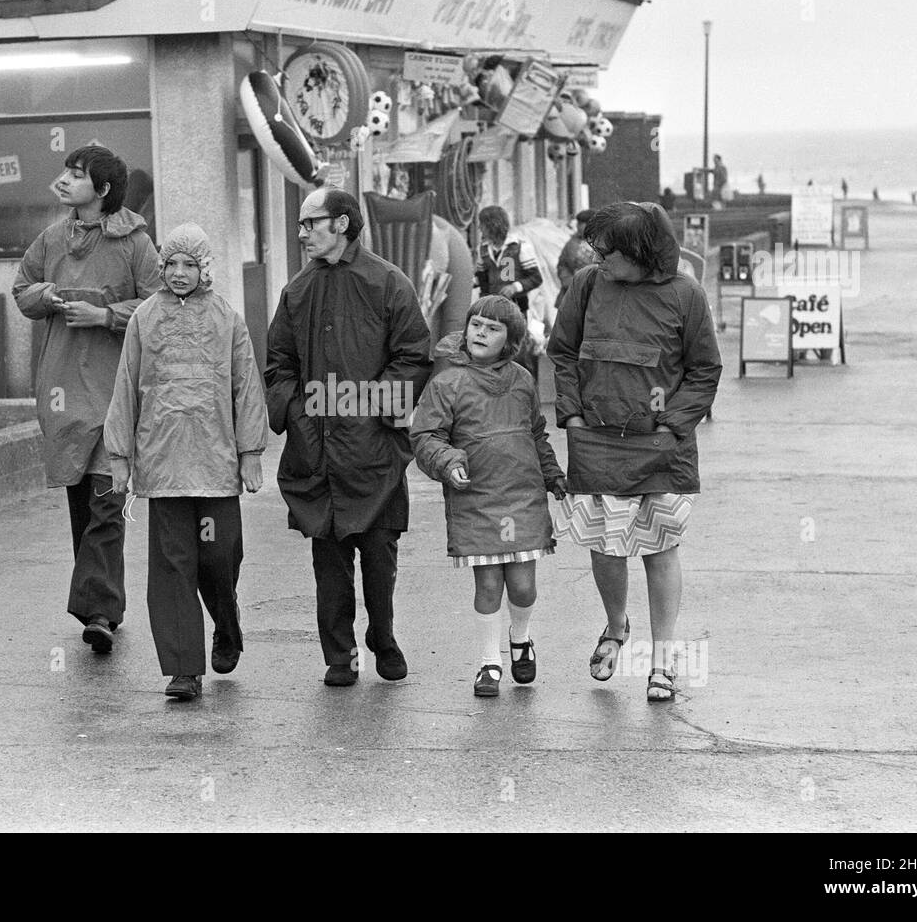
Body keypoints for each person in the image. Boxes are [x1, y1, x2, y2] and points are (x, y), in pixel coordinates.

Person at [547, 201, 721, 702]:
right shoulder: (586, 284)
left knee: (660, 550)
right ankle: (615, 625)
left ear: (641, 253)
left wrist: (672, 425)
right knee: (606, 549)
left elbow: (704, 370)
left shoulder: (686, 295)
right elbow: (560, 352)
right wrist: (573, 416)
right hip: (596, 441)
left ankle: (662, 662)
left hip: (661, 446)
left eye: (608, 252)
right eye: (595, 250)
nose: (597, 258)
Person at [264, 187, 432, 687]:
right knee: (329, 559)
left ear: (340, 223)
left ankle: (383, 635)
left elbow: (414, 354)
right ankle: (339, 655)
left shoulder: (387, 282)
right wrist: (297, 414)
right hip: (316, 450)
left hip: (374, 448)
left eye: (309, 223)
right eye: (299, 225)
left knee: (379, 554)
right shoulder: (297, 290)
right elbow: (279, 364)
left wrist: (372, 406)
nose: (301, 234)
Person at [103, 223, 267, 701]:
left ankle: (226, 623)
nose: (178, 273)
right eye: (170, 264)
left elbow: (245, 387)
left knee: (217, 557)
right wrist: (120, 457)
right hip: (163, 465)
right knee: (174, 567)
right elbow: (126, 387)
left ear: (204, 269)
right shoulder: (144, 319)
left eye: (188, 265)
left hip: (215, 469)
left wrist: (250, 453)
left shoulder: (227, 319)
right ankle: (183, 669)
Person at [12, 145, 162, 654]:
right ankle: (103, 606)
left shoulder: (137, 244)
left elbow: (159, 304)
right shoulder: (51, 239)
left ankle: (97, 611)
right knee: (84, 501)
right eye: (66, 172)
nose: (64, 181)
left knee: (105, 502)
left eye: (76, 176)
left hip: (115, 391)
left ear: (102, 190)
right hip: (62, 392)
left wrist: (106, 316)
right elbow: (22, 289)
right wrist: (47, 296)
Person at [412, 296, 565, 697]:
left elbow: (536, 433)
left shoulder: (522, 379)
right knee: (488, 588)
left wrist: (552, 474)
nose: (481, 332)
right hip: (476, 498)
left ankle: (521, 639)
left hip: (523, 495)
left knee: (523, 586)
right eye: (476, 324)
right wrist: (447, 461)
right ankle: (489, 663)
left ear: (511, 339)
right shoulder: (446, 383)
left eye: (493, 328)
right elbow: (426, 436)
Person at [474, 205, 543, 379]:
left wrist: (515, 287)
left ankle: (528, 392)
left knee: (518, 353)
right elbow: (482, 280)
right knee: (494, 353)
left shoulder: (520, 246)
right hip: (493, 310)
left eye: (481, 224)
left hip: (517, 309)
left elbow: (536, 278)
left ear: (492, 224)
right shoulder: (482, 250)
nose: (479, 228)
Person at [556, 208, 598, 309]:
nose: (578, 227)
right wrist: (569, 281)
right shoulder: (572, 243)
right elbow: (562, 265)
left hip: (595, 292)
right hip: (573, 291)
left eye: (581, 224)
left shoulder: (602, 242)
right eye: (578, 223)